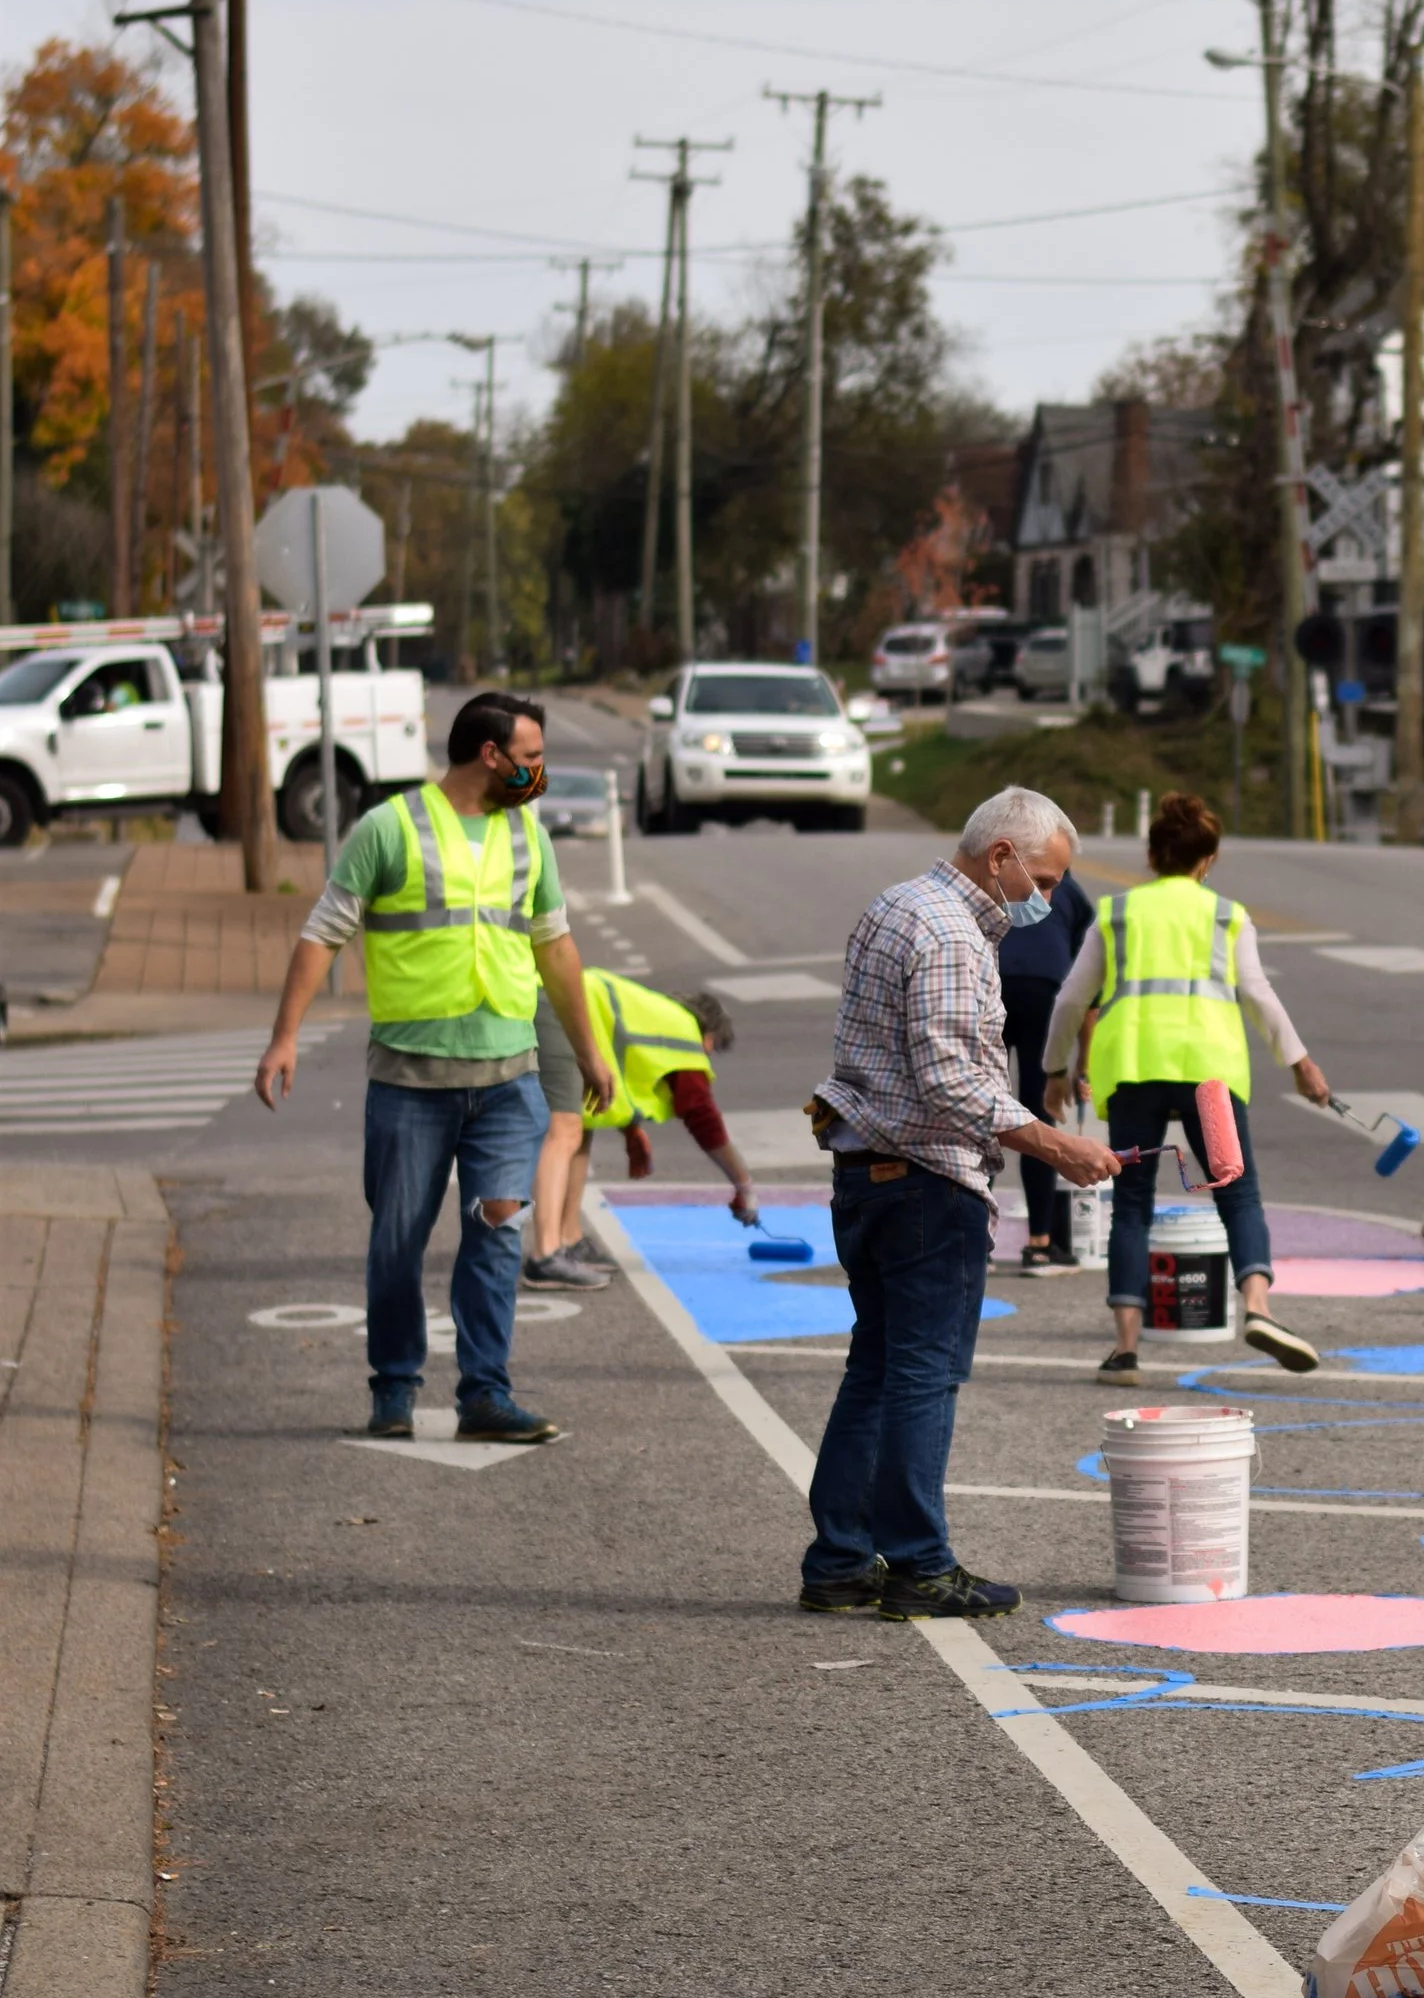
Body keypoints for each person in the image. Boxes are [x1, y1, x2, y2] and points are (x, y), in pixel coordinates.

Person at [254, 689, 619, 1443]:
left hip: (508, 1079)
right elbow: (322, 934)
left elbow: (555, 946)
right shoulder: (389, 829)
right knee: (397, 1242)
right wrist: (283, 1038)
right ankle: (393, 1386)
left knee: (496, 1234)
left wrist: (589, 1051)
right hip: (410, 1084)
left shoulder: (528, 837)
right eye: (531, 759)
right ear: (489, 756)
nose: (539, 773)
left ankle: (485, 1393)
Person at [799, 786, 1116, 1620]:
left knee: (876, 1368)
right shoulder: (947, 934)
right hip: (924, 1180)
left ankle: (839, 1558)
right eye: (1045, 879)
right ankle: (918, 1564)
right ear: (1001, 856)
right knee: (920, 1376)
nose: (1050, 899)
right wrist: (1057, 1143)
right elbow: (949, 1081)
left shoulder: (900, 904)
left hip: (868, 1171)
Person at [1042, 788, 1327, 1380]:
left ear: (1150, 856)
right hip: (1210, 1077)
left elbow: (1072, 997)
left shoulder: (1118, 914)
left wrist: (1054, 1071)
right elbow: (1258, 995)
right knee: (1237, 1193)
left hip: (1136, 1073)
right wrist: (1299, 1062)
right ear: (1208, 861)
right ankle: (1257, 1307)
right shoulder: (1226, 915)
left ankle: (1125, 1350)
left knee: (1132, 1206)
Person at [525, 977, 755, 1287]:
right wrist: (743, 1184)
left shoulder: (659, 1014)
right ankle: (546, 1254)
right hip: (560, 1003)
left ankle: (568, 1238)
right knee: (564, 1130)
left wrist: (628, 1127)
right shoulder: (684, 1036)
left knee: (582, 1127)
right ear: (709, 1040)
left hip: (562, 998)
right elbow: (703, 1119)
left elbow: (623, 1061)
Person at [996, 859, 1096, 1271]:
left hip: (993, 985)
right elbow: (1086, 995)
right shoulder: (1072, 897)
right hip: (1046, 996)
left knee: (982, 1108)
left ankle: (974, 1239)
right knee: (1037, 1115)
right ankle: (1040, 1242)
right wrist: (1080, 1068)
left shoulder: (999, 883)